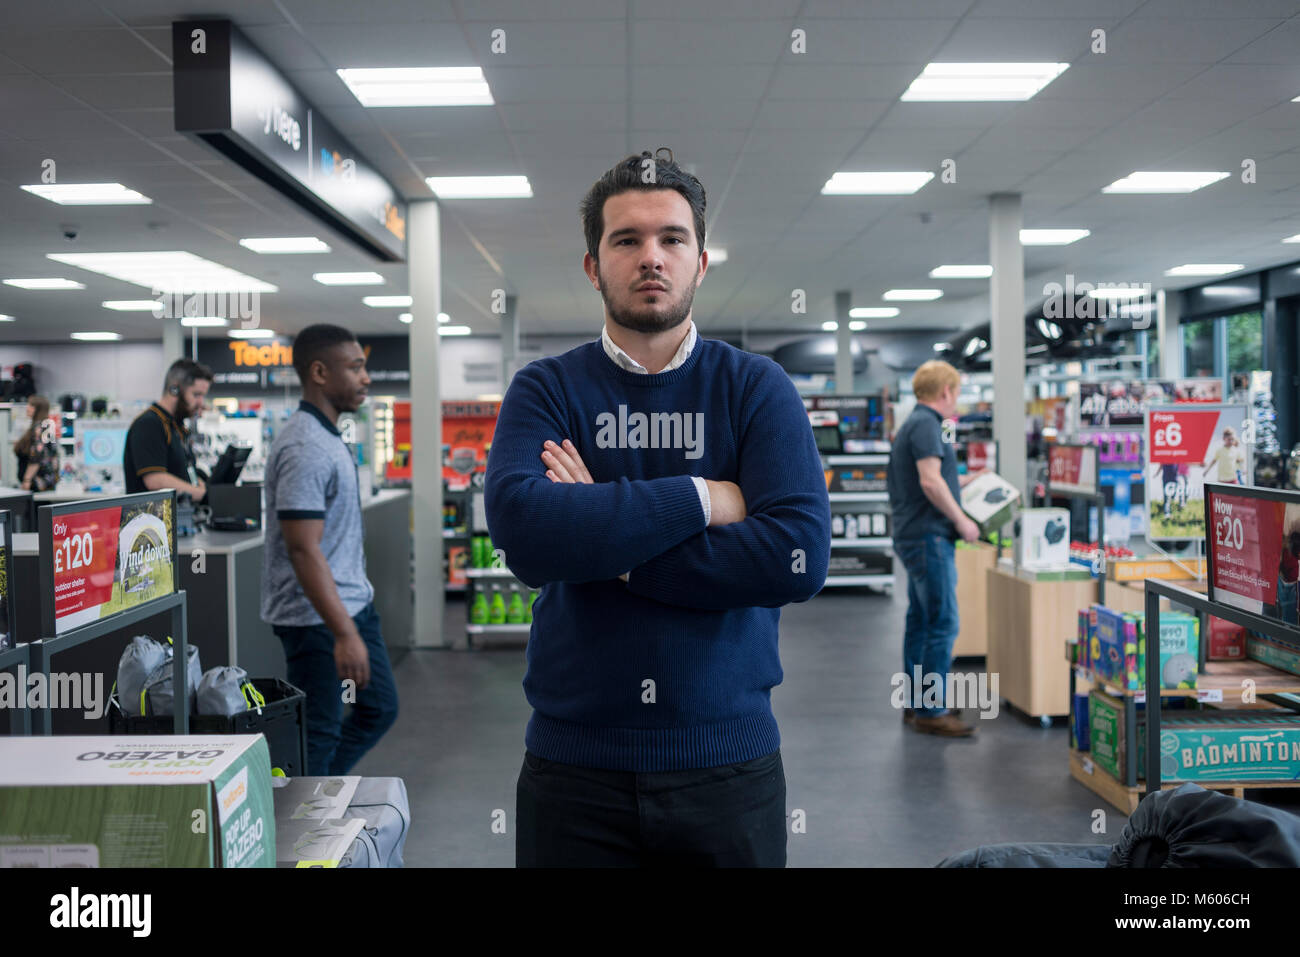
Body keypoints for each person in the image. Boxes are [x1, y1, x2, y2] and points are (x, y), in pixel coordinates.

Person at [484, 150, 831, 867]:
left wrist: (601, 542)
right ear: (592, 265)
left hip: (728, 767)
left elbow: (795, 555)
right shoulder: (545, 389)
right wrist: (705, 497)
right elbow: (524, 532)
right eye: (626, 239)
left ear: (701, 262)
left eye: (672, 238)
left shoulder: (756, 388)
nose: (652, 257)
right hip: (573, 772)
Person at [260, 324, 398, 775]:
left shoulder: (327, 436)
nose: (366, 377)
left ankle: (315, 801)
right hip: (317, 618)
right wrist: (343, 633)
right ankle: (299, 833)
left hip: (350, 605)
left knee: (377, 709)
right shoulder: (305, 446)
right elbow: (303, 550)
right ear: (319, 372)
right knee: (319, 729)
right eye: (355, 367)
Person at [887, 360, 983, 737]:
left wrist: (967, 479)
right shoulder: (928, 425)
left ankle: (918, 699)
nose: (957, 399)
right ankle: (931, 708)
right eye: (956, 391)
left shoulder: (914, 423)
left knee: (922, 619)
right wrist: (962, 520)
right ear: (947, 391)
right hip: (930, 536)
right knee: (943, 622)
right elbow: (930, 483)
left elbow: (934, 477)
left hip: (914, 534)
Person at [124, 359, 211, 499]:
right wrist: (198, 493)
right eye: (196, 395)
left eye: (203, 396)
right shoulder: (149, 424)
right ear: (174, 389)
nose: (201, 402)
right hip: (150, 519)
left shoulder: (176, 426)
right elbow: (155, 480)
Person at [12, 394, 59, 491]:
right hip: (44, 481)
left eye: (31, 406)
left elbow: (37, 456)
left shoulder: (40, 428)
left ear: (38, 409)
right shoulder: (45, 426)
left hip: (37, 482)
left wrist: (27, 480)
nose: (27, 408)